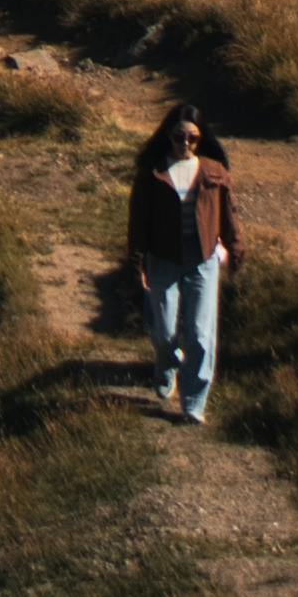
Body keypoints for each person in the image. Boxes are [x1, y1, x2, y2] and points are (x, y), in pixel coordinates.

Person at [123, 97, 239, 421]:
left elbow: (229, 216)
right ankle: (166, 366)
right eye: (178, 136)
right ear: (167, 136)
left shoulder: (214, 172)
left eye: (192, 138)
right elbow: (138, 222)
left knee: (201, 335)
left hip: (203, 262)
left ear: (201, 139)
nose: (185, 143)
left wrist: (236, 250)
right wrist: (137, 263)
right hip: (163, 261)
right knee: (162, 330)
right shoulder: (153, 173)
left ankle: (193, 404)